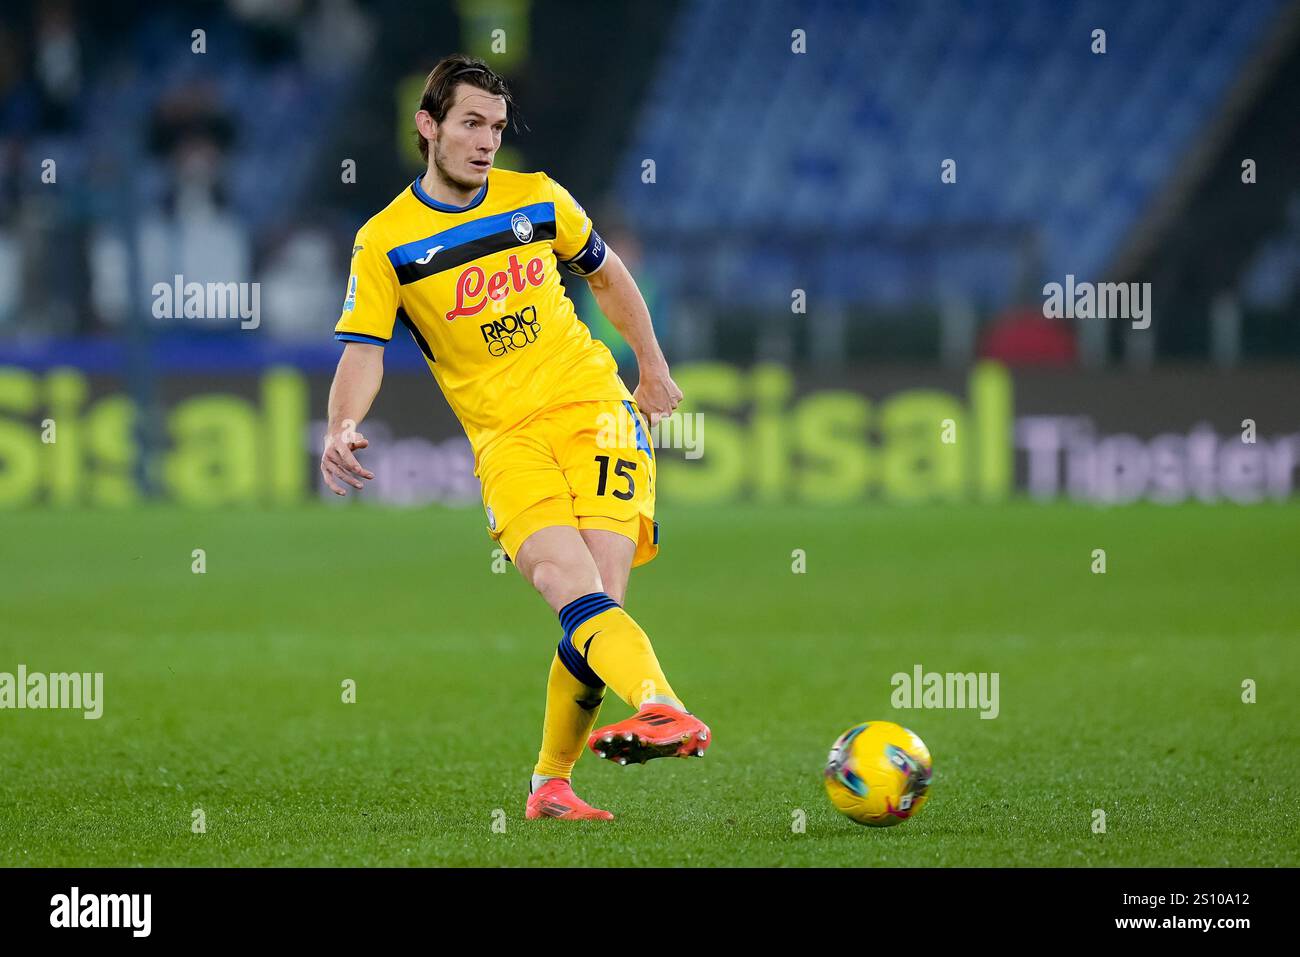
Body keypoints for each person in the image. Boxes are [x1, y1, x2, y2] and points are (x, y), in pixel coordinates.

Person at [322, 54, 710, 821]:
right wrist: (342, 422)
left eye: (497, 127)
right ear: (427, 126)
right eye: (471, 123)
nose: (486, 140)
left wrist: (653, 365)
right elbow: (362, 350)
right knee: (574, 594)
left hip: (595, 409)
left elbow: (607, 275)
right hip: (504, 442)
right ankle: (582, 763)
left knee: (596, 598)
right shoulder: (385, 242)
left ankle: (607, 743)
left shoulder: (537, 199)